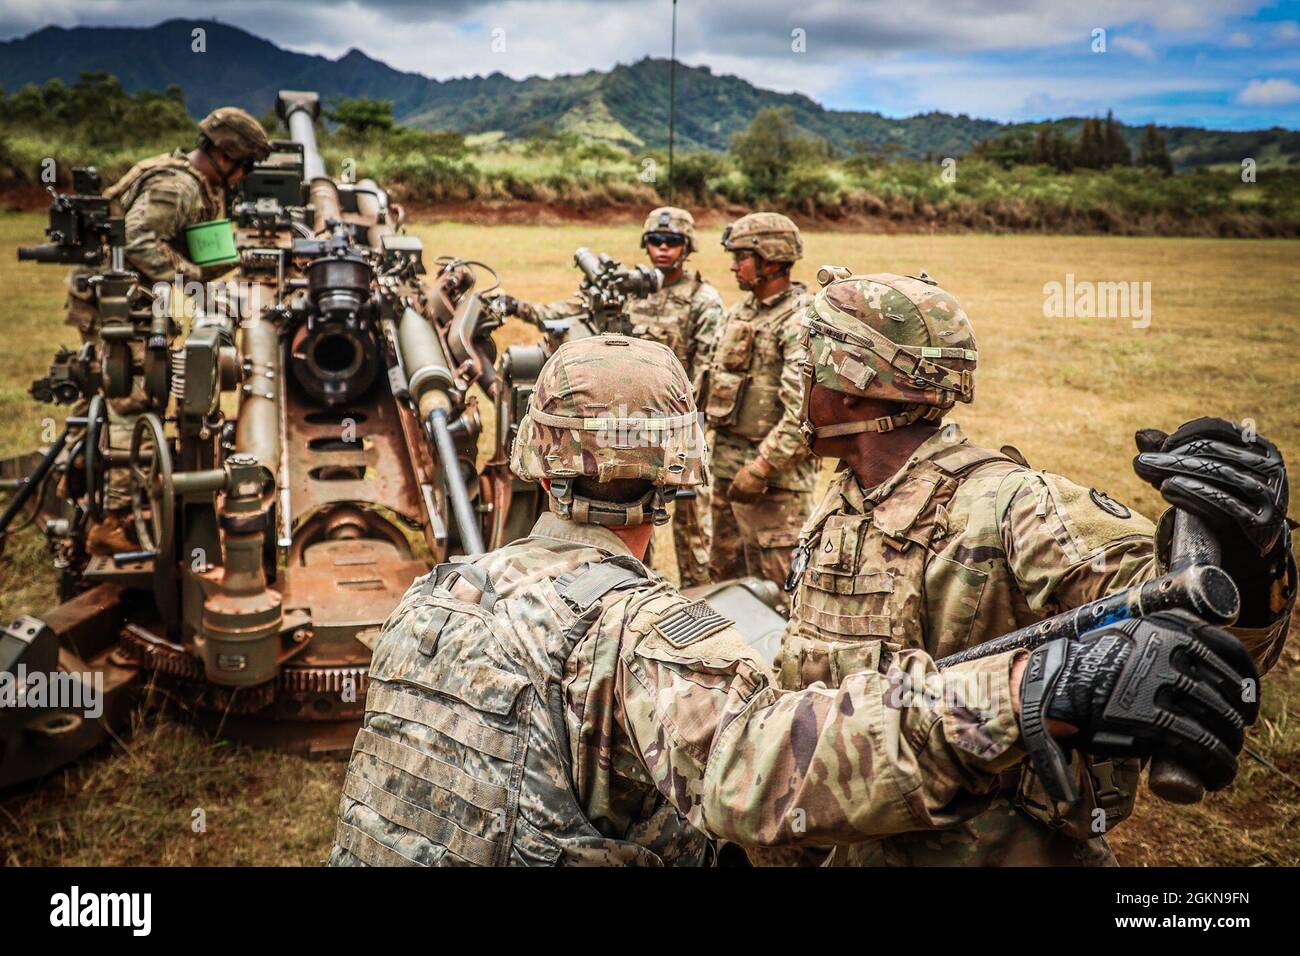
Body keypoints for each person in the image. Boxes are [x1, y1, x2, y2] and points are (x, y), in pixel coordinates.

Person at [328, 334, 1258, 867]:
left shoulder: (429, 597)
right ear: (681, 473)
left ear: (535, 456)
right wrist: (1021, 696)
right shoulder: (642, 631)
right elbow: (759, 768)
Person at [781, 269, 1295, 865]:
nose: (799, 383)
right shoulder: (849, 493)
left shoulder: (1011, 503)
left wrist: (1249, 563)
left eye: (810, 366)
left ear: (850, 387)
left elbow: (1189, 628)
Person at [65, 107, 271, 554]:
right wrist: (191, 276)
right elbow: (138, 240)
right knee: (130, 396)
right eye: (245, 165)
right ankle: (113, 520)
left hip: (122, 300)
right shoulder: (175, 185)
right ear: (223, 154)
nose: (244, 176)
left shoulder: (185, 179)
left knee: (102, 389)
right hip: (116, 305)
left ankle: (80, 477)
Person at [501, 206, 724, 588]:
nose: (663, 248)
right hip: (617, 425)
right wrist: (512, 305)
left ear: (687, 248)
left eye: (673, 242)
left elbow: (706, 368)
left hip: (673, 426)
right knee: (627, 521)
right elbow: (561, 314)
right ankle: (631, 587)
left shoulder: (702, 300)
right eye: (656, 241)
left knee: (691, 533)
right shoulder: (627, 295)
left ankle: (693, 598)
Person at [701, 212, 815, 595]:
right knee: (724, 586)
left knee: (776, 591)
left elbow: (803, 410)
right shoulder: (740, 313)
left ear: (771, 258)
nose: (733, 266)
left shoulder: (800, 319)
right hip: (727, 476)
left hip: (775, 487)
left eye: (741, 256)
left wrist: (763, 467)